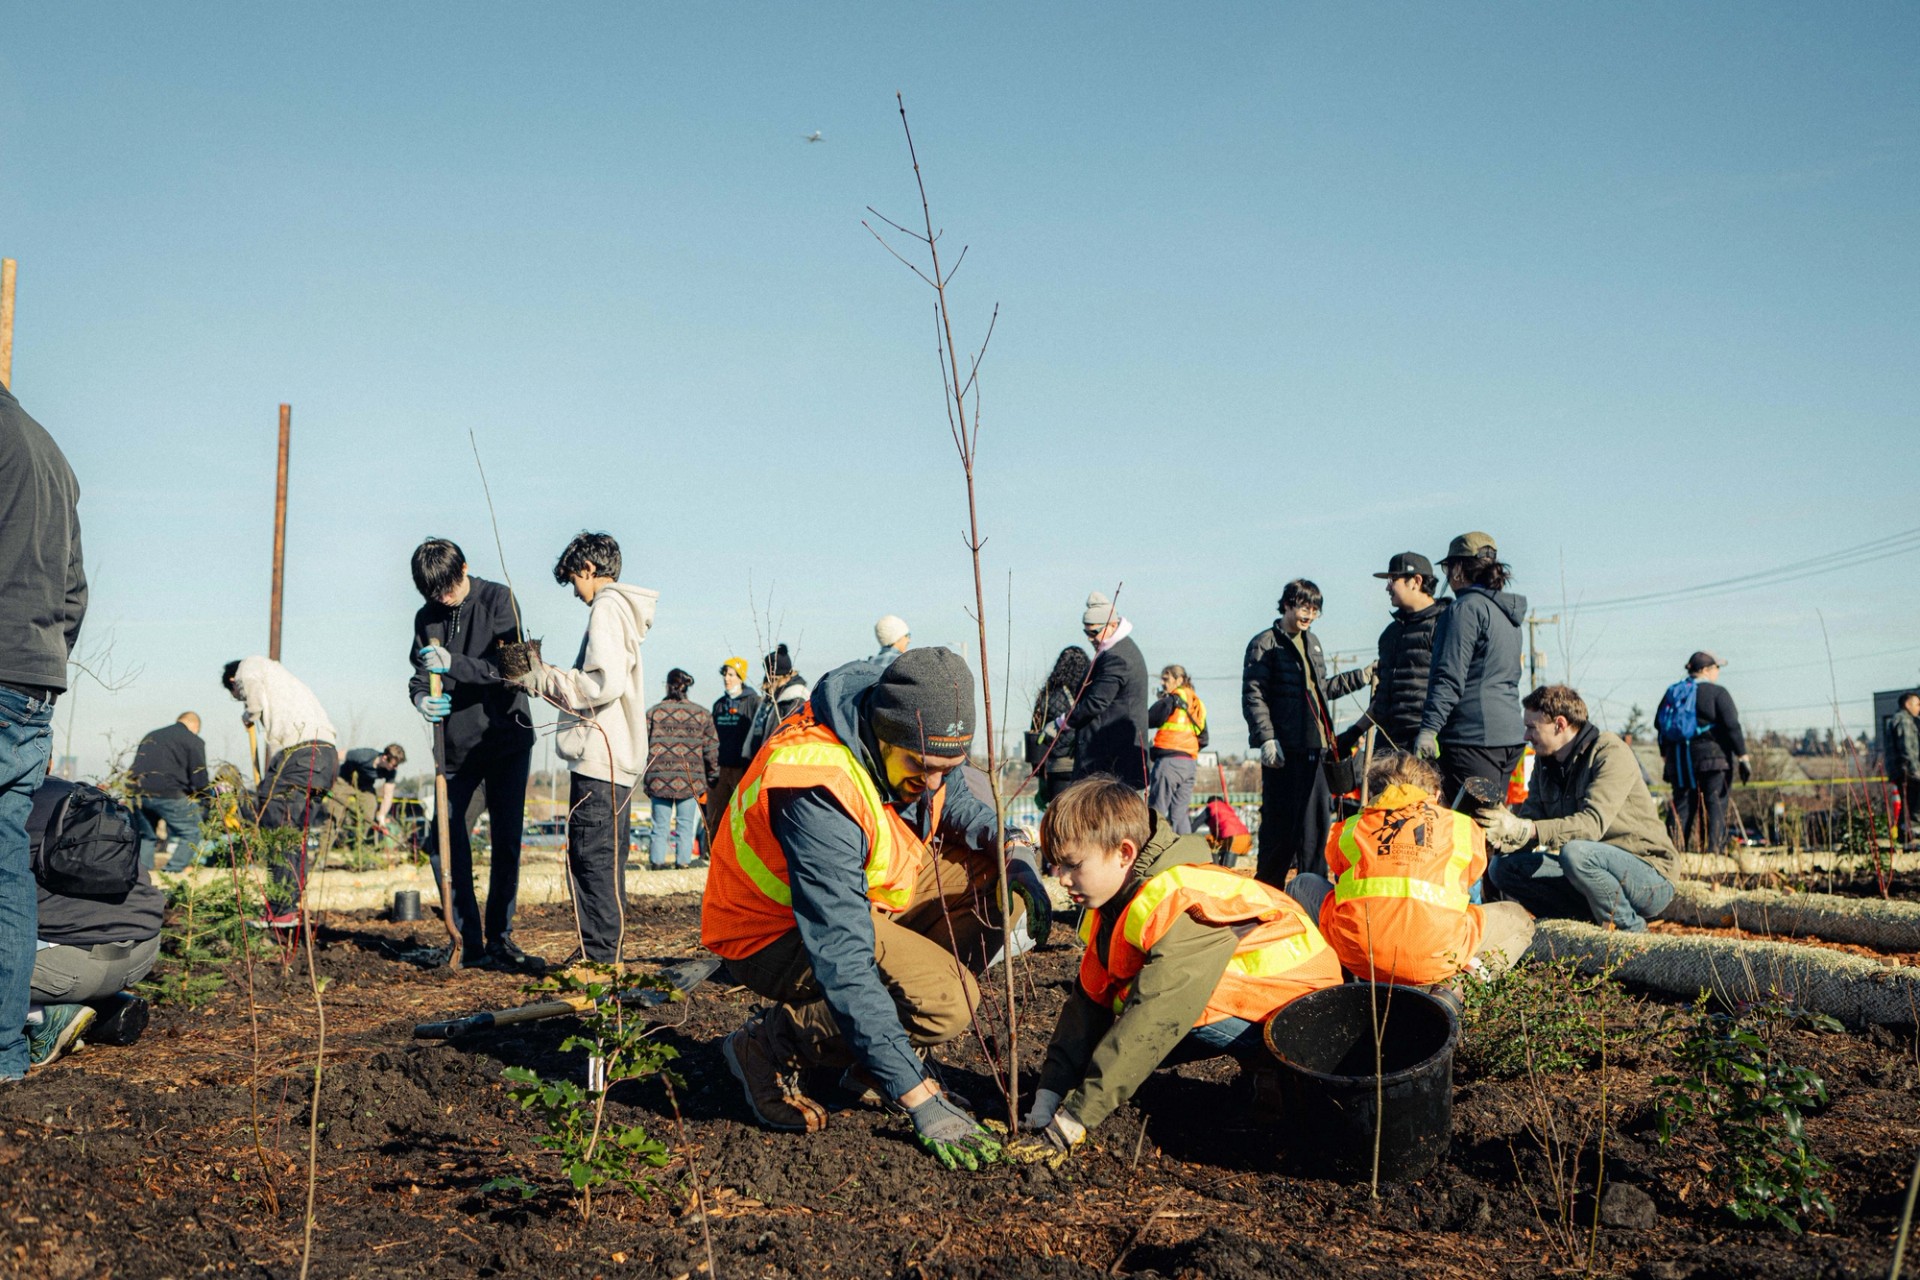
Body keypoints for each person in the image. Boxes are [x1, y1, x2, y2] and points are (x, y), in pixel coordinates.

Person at [701, 648, 1024, 1170]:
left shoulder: (918, 728)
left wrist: (1008, 843)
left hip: (860, 902)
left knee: (998, 881)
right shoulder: (817, 783)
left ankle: (869, 1060)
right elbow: (842, 953)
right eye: (921, 769)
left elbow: (956, 803)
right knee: (947, 1002)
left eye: (948, 767)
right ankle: (767, 1045)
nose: (934, 784)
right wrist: (917, 1097)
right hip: (770, 931)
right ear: (883, 733)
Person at [1018, 777, 1341, 1157]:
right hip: (1251, 999)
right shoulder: (1114, 901)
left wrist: (1075, 1119)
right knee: (1116, 1021)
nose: (1061, 879)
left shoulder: (1179, 901)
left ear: (1124, 853)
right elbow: (1086, 1003)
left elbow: (1157, 1015)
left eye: (1072, 865)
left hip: (1302, 1012)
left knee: (1146, 1016)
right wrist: (1047, 1095)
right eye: (1055, 866)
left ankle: (1274, 1073)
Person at [506, 532, 657, 972]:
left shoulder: (608, 607)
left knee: (592, 860)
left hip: (600, 761)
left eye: (575, 579)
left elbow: (598, 684)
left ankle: (602, 962)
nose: (575, 591)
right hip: (616, 762)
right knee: (604, 862)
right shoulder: (622, 611)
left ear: (590, 569)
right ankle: (604, 954)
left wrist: (542, 674)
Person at [1, 379, 87, 1081]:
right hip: (32, 680)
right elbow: (74, 593)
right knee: (5, 868)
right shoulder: (51, 453)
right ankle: (3, 1051)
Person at [1287, 752, 1534, 990]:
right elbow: (1469, 882)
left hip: (1357, 956)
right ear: (1436, 794)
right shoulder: (1461, 826)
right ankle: (1457, 990)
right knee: (1521, 921)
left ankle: (1327, 978)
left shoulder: (1351, 827)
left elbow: (1340, 872)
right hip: (1438, 957)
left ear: (1375, 794)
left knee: (1301, 884)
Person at [409, 538, 541, 971]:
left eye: (447, 587)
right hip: (456, 753)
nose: (442, 598)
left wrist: (456, 664)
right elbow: (418, 675)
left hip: (504, 743)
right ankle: (467, 940)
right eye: (433, 592)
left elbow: (516, 669)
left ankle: (499, 937)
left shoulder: (498, 600)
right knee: (443, 842)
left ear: (464, 568)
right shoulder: (426, 616)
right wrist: (420, 700)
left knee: (505, 842)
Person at [1487, 685, 1678, 932]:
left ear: (1560, 724)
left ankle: (1629, 933)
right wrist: (1501, 838)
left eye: (1532, 727)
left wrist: (1527, 829)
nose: (1526, 736)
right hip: (1591, 872)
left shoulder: (1609, 751)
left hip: (1649, 875)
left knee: (1576, 854)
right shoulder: (1546, 764)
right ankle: (1571, 927)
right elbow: (1532, 818)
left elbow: (1591, 826)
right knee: (1502, 868)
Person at [1241, 579, 1371, 887]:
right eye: (1304, 607)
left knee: (1314, 830)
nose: (1309, 615)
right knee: (1279, 829)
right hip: (1285, 752)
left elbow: (1321, 691)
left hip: (1318, 749)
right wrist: (1267, 738)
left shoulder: (1312, 642)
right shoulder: (1265, 643)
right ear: (1287, 604)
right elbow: (1253, 694)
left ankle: (1311, 893)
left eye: (1315, 610)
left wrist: (1360, 677)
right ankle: (1268, 893)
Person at [26, 777, 160, 1066]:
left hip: (68, 968)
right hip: (142, 951)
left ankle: (40, 1016)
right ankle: (105, 1008)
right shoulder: (87, 797)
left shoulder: (11, 804)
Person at [222, 656, 338, 926]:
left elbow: (251, 694)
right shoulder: (283, 680)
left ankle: (281, 908)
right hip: (325, 757)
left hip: (300, 754)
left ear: (232, 682)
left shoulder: (249, 665)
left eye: (235, 694)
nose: (239, 696)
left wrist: (249, 714)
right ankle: (286, 907)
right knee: (292, 831)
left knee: (278, 829)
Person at [1415, 532, 1528, 807]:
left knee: (1466, 832)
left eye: (1447, 568)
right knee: (1490, 826)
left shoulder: (1463, 610)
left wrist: (1429, 729)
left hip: (1471, 738)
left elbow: (1449, 678)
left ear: (1457, 569)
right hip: (1508, 735)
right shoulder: (1505, 613)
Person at [1340, 552, 1449, 757]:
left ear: (1416, 581)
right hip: (1387, 742)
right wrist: (1354, 732)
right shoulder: (1390, 634)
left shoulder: (1444, 625)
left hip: (1424, 742)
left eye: (1393, 580)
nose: (1387, 587)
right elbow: (1381, 696)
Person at [1044, 591, 1149, 791]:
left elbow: (1096, 702)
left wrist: (1061, 723)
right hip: (1111, 761)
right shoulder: (1117, 651)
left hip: (1112, 761)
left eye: (1094, 632)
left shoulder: (1117, 657)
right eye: (1086, 632)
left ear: (1112, 625)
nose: (1090, 638)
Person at [1658, 651, 1751, 854]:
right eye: (1717, 668)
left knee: (1682, 805)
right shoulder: (1718, 693)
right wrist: (1743, 757)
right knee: (1715, 803)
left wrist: (1667, 757)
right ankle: (1713, 854)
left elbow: (1660, 724)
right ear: (1706, 670)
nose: (1718, 672)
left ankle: (1671, 854)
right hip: (1713, 759)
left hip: (1680, 761)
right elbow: (1732, 726)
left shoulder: (1673, 693)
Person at [644, 669, 718, 870]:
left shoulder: (653, 713)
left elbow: (642, 745)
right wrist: (713, 775)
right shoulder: (702, 714)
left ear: (667, 685)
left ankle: (657, 864)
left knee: (660, 825)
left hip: (659, 778)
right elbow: (711, 749)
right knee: (685, 824)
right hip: (690, 779)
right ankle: (683, 863)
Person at [128, 713, 210, 871]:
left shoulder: (152, 735)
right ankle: (172, 871)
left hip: (137, 794)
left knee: (147, 835)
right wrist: (205, 798)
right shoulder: (192, 740)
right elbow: (199, 776)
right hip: (169, 793)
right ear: (195, 727)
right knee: (193, 830)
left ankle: (142, 877)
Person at [1146, 665, 1208, 834]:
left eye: (1166, 679)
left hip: (1169, 763)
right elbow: (1204, 738)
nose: (1162, 683)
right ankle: (1187, 856)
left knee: (1156, 812)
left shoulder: (1172, 699)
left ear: (1179, 680)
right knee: (1180, 816)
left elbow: (1149, 718)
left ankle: (1151, 852)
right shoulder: (1197, 704)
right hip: (1189, 764)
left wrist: (1161, 699)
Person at [1028, 646, 1091, 810]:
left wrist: (1039, 774)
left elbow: (1035, 734)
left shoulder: (1048, 695)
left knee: (1060, 816)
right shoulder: (1090, 694)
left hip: (1057, 766)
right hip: (1086, 764)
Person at [708, 658, 762, 837]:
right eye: (724, 674)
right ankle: (712, 853)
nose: (726, 678)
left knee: (742, 813)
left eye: (731, 674)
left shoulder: (754, 702)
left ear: (740, 677)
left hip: (743, 769)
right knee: (715, 813)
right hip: (720, 768)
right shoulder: (719, 705)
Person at [741, 644, 810, 762]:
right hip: (759, 761)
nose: (767, 683)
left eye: (771, 679)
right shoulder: (771, 700)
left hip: (777, 762)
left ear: (782, 677)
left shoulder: (794, 700)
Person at [333, 742, 407, 835]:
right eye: (394, 765)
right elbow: (337, 755)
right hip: (345, 780)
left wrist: (382, 815)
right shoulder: (364, 755)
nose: (396, 768)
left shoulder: (391, 772)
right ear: (384, 758)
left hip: (365, 785)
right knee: (334, 813)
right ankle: (325, 846)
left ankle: (358, 840)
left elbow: (388, 795)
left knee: (370, 808)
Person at [1887, 691, 1920, 850]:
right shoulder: (1904, 721)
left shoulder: (1900, 719)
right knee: (1913, 799)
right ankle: (1913, 828)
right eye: (1917, 704)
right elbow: (1906, 747)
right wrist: (1915, 769)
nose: (1919, 708)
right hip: (1906, 769)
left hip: (1900, 770)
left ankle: (1904, 835)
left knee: (1907, 801)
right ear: (1908, 705)